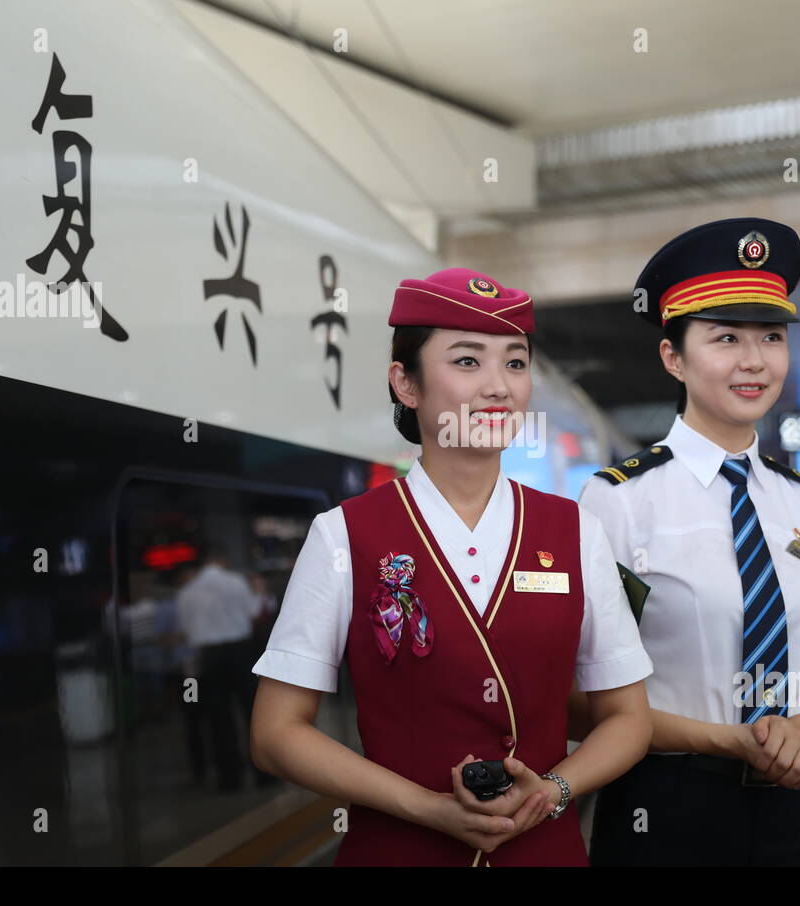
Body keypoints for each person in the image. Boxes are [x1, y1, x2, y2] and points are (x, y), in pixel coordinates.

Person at [249, 267, 653, 866]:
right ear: (405, 384)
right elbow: (277, 733)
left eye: (515, 363)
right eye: (467, 361)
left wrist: (554, 791)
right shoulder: (344, 535)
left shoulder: (574, 533)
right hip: (398, 851)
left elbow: (627, 718)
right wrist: (425, 807)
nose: (499, 386)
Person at [576, 218, 800, 866]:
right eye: (726, 337)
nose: (754, 360)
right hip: (667, 807)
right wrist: (733, 741)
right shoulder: (620, 500)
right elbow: (582, 698)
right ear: (673, 357)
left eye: (771, 336)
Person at [176, 540, 265, 791]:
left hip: (209, 656)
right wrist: (258, 591)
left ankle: (229, 779)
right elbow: (255, 613)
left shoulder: (187, 591)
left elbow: (185, 630)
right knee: (252, 713)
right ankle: (264, 775)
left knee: (219, 719)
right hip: (240, 651)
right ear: (223, 561)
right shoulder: (236, 582)